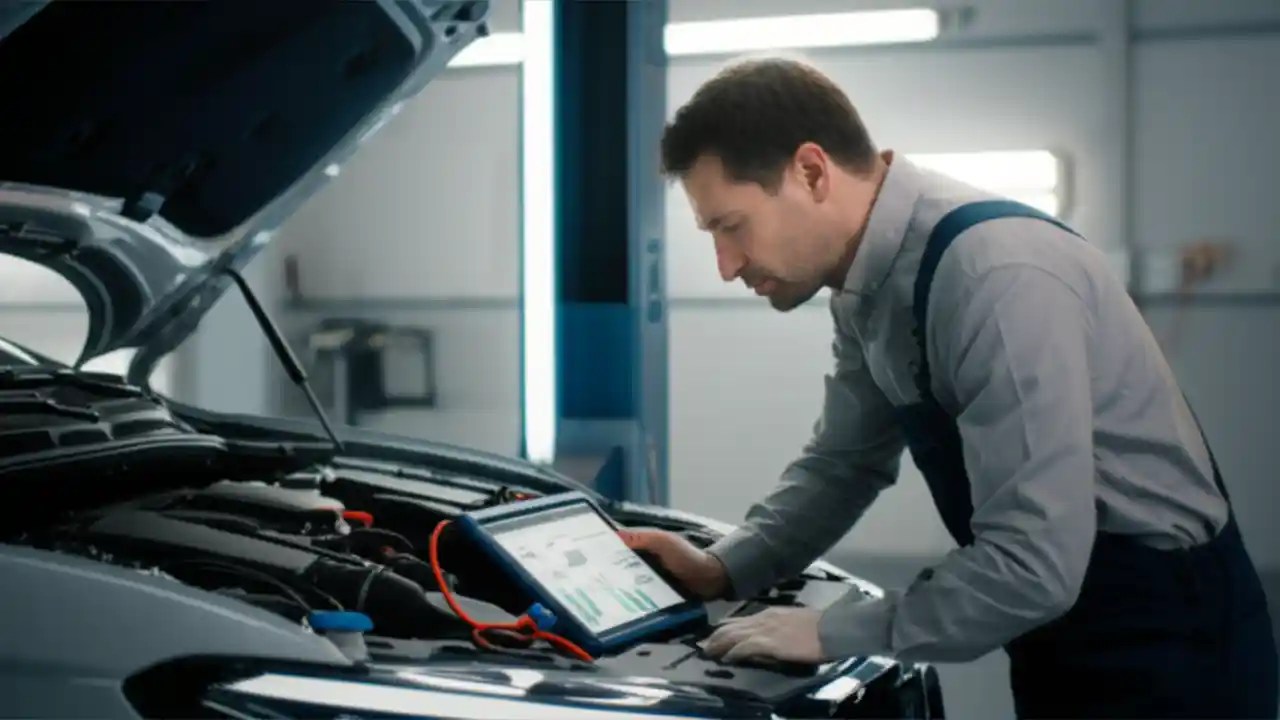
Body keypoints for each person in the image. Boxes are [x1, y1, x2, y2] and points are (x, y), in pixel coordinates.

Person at [620, 57, 1278, 718]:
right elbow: (844, 464)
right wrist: (724, 568)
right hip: (1062, 628)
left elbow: (1033, 564)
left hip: (1170, 642)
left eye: (730, 227)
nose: (727, 267)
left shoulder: (993, 278)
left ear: (812, 172)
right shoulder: (870, 287)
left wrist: (831, 632)